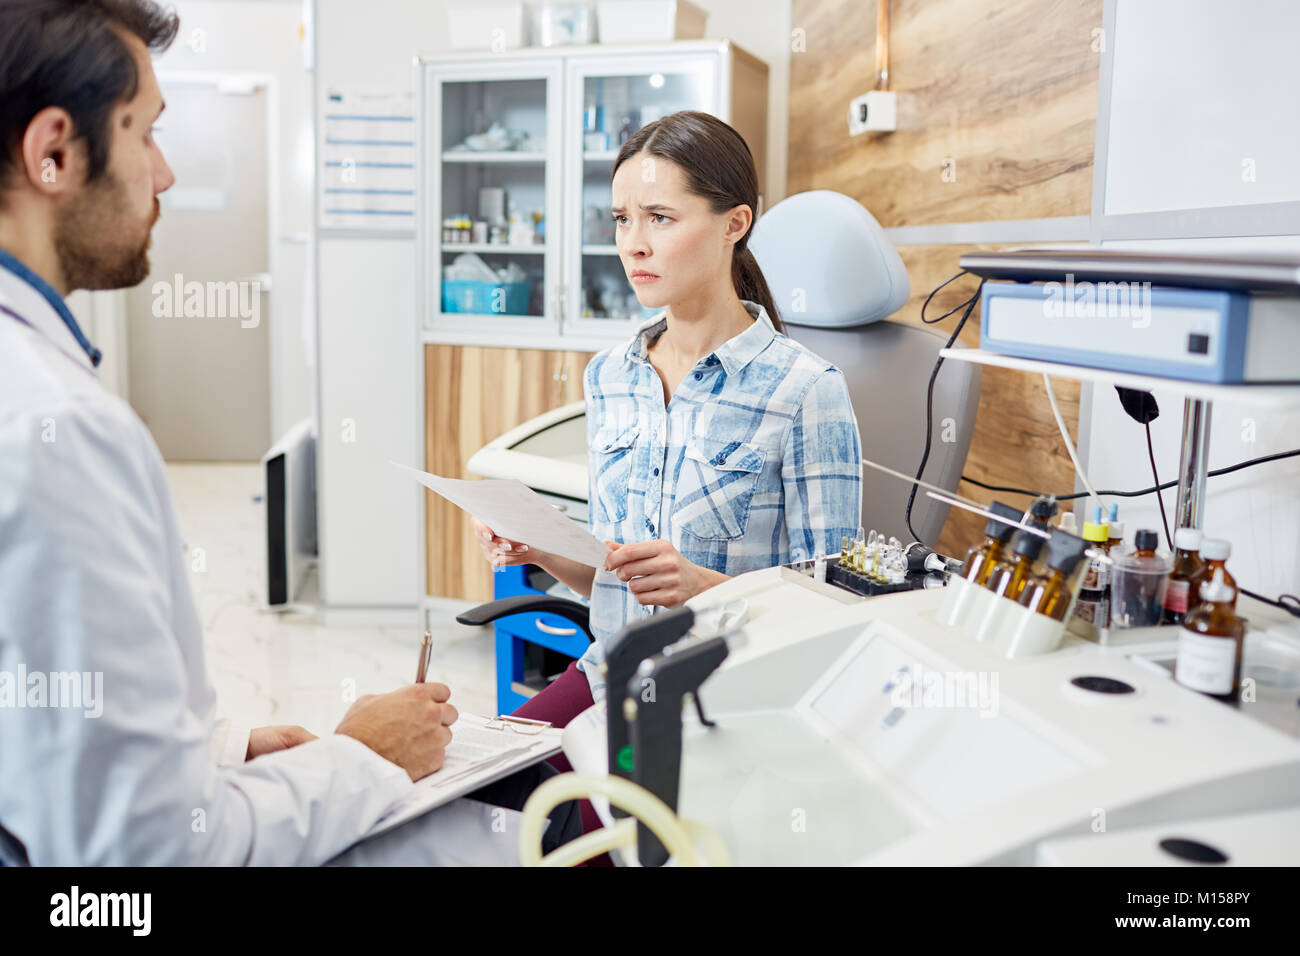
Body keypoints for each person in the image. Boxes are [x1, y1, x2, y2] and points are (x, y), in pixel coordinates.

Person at [0, 0, 577, 865]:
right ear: (54, 152)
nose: (164, 174)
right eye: (147, 134)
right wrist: (360, 758)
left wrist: (217, 754)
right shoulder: (57, 431)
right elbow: (144, 858)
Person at [471, 111, 863, 816]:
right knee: (484, 793)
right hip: (608, 673)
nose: (634, 245)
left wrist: (703, 587)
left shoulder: (806, 391)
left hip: (720, 696)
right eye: (622, 219)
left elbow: (828, 618)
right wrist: (540, 549)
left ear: (733, 222)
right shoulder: (609, 376)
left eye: (659, 217)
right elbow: (613, 582)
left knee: (579, 832)